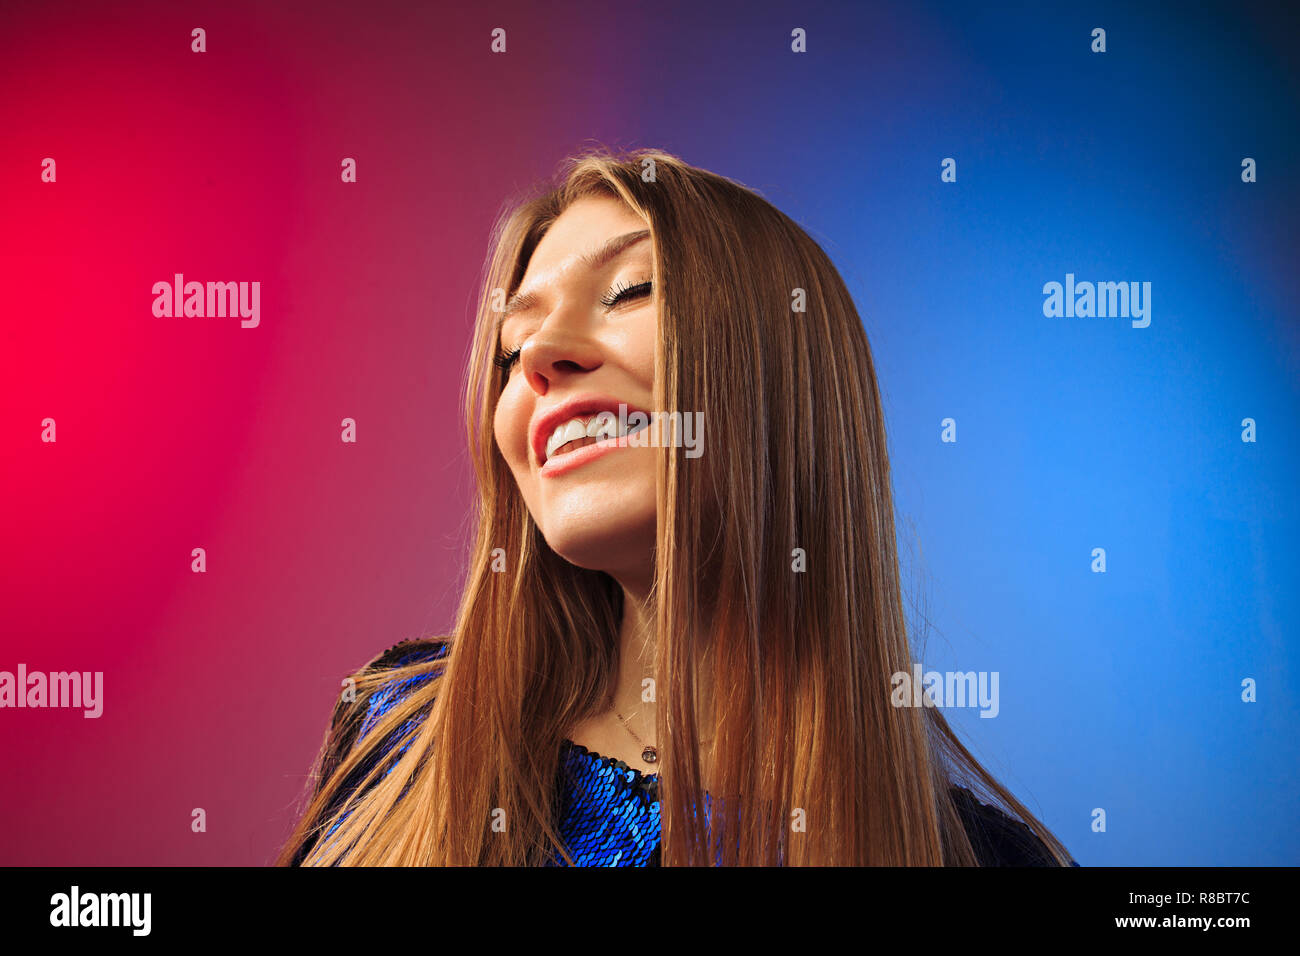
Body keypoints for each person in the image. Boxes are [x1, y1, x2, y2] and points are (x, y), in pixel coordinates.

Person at [278, 146, 1076, 866]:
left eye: (628, 290)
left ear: (781, 365)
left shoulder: (983, 859)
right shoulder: (395, 733)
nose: (540, 362)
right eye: (511, 349)